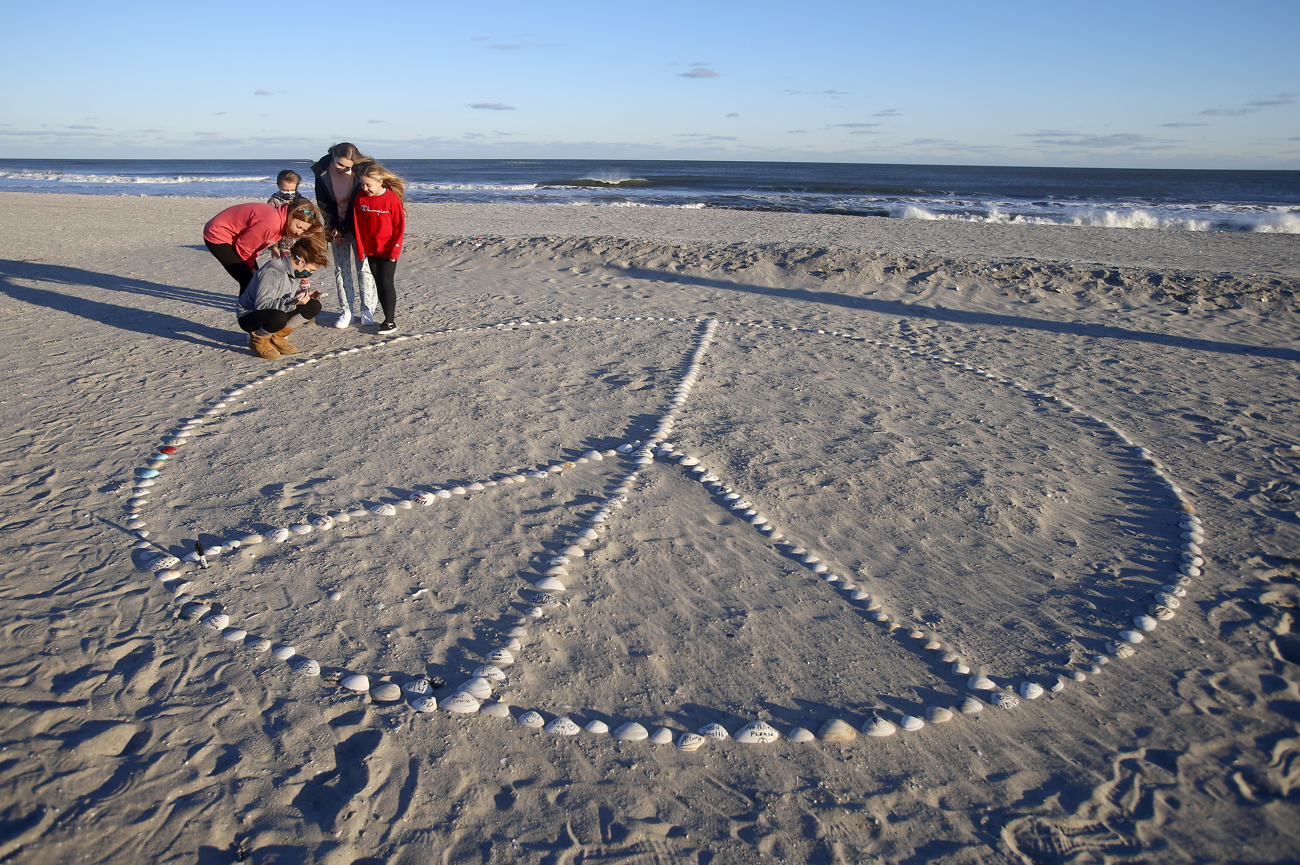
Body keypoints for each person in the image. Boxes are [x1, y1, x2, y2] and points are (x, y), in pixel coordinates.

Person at [311, 143, 378, 329]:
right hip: (335, 227)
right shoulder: (321, 170)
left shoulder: (364, 169)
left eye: (347, 167)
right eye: (339, 164)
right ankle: (346, 310)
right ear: (332, 156)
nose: (342, 169)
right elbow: (323, 203)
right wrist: (334, 228)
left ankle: (367, 309)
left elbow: (365, 201)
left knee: (364, 266)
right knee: (341, 269)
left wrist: (344, 226)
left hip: (359, 225)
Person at [236, 237, 329, 359]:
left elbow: (291, 293)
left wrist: (307, 293)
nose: (309, 274)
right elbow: (262, 304)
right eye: (310, 270)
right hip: (250, 315)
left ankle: (277, 336)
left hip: (277, 308)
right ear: (301, 262)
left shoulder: (295, 270)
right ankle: (258, 340)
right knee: (279, 317)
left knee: (313, 305)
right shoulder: (273, 271)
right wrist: (294, 302)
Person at [204, 200, 323, 293]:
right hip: (218, 234)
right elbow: (244, 246)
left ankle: (254, 311)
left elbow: (255, 246)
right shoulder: (271, 223)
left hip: (237, 237)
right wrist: (251, 268)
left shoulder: (281, 220)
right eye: (298, 227)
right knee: (248, 279)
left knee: (254, 278)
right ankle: (247, 316)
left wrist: (252, 266)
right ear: (291, 215)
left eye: (303, 230)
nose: (299, 232)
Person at [351, 160, 406, 334]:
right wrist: (360, 249)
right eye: (362, 184)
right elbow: (357, 226)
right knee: (378, 283)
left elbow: (399, 226)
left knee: (386, 282)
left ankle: (390, 321)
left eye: (368, 184)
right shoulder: (360, 198)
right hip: (371, 249)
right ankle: (385, 318)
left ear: (380, 182)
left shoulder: (391, 199)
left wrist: (395, 250)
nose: (365, 188)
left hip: (389, 250)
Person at [267, 170, 308, 257]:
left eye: (292, 190)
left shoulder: (303, 202)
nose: (289, 193)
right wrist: (273, 248)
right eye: (285, 190)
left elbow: (311, 221)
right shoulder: (274, 202)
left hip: (302, 244)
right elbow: (269, 227)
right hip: (284, 246)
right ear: (278, 185)